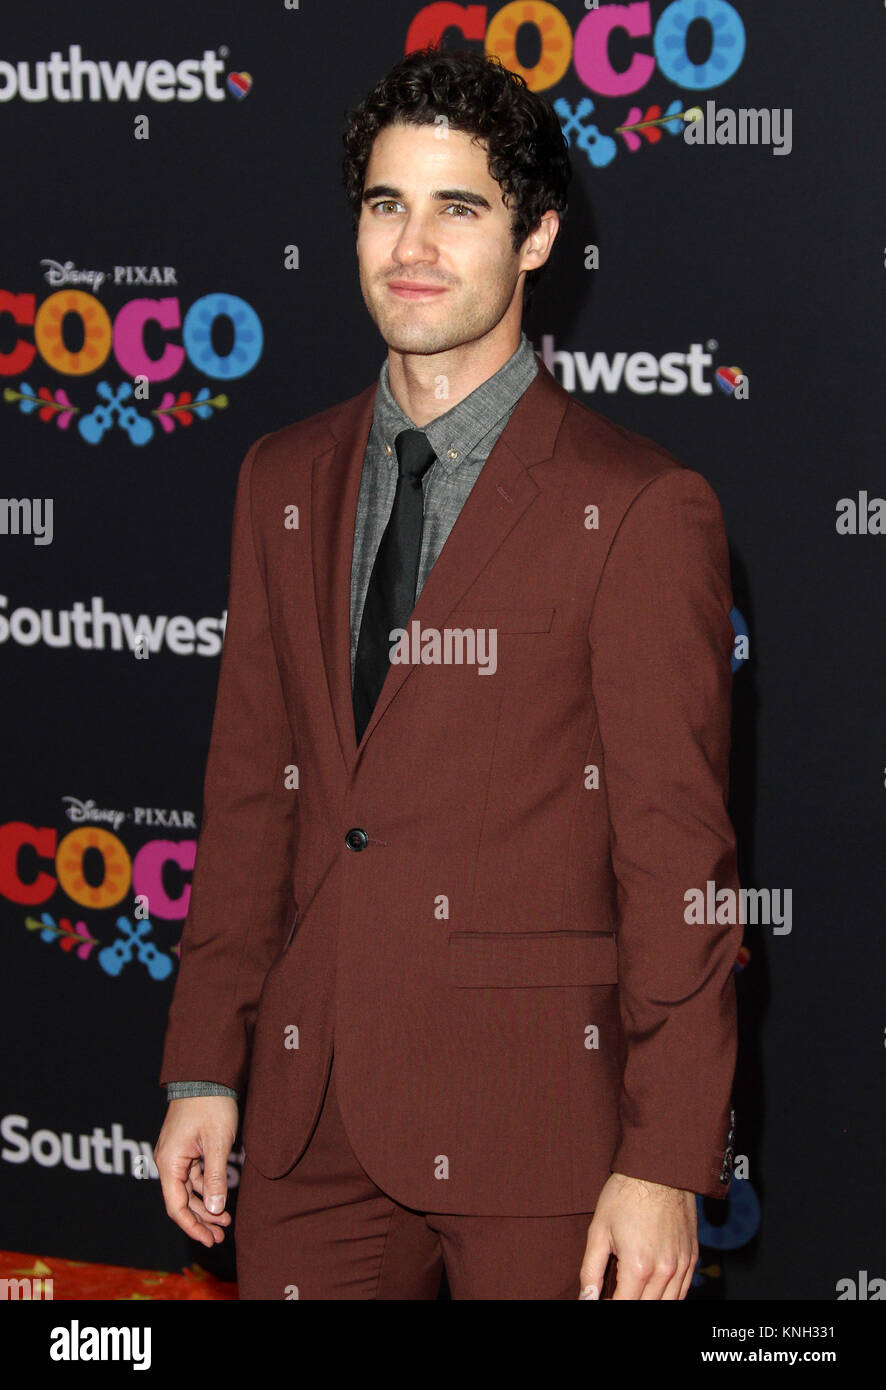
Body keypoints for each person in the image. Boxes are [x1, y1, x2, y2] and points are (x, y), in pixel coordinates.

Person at [154, 45, 741, 1301]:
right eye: (385, 204)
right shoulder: (281, 479)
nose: (411, 246)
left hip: (546, 1135)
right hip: (311, 1123)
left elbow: (678, 862)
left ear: (534, 239)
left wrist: (667, 1158)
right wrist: (207, 1067)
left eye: (458, 207)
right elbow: (253, 794)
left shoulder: (638, 506)